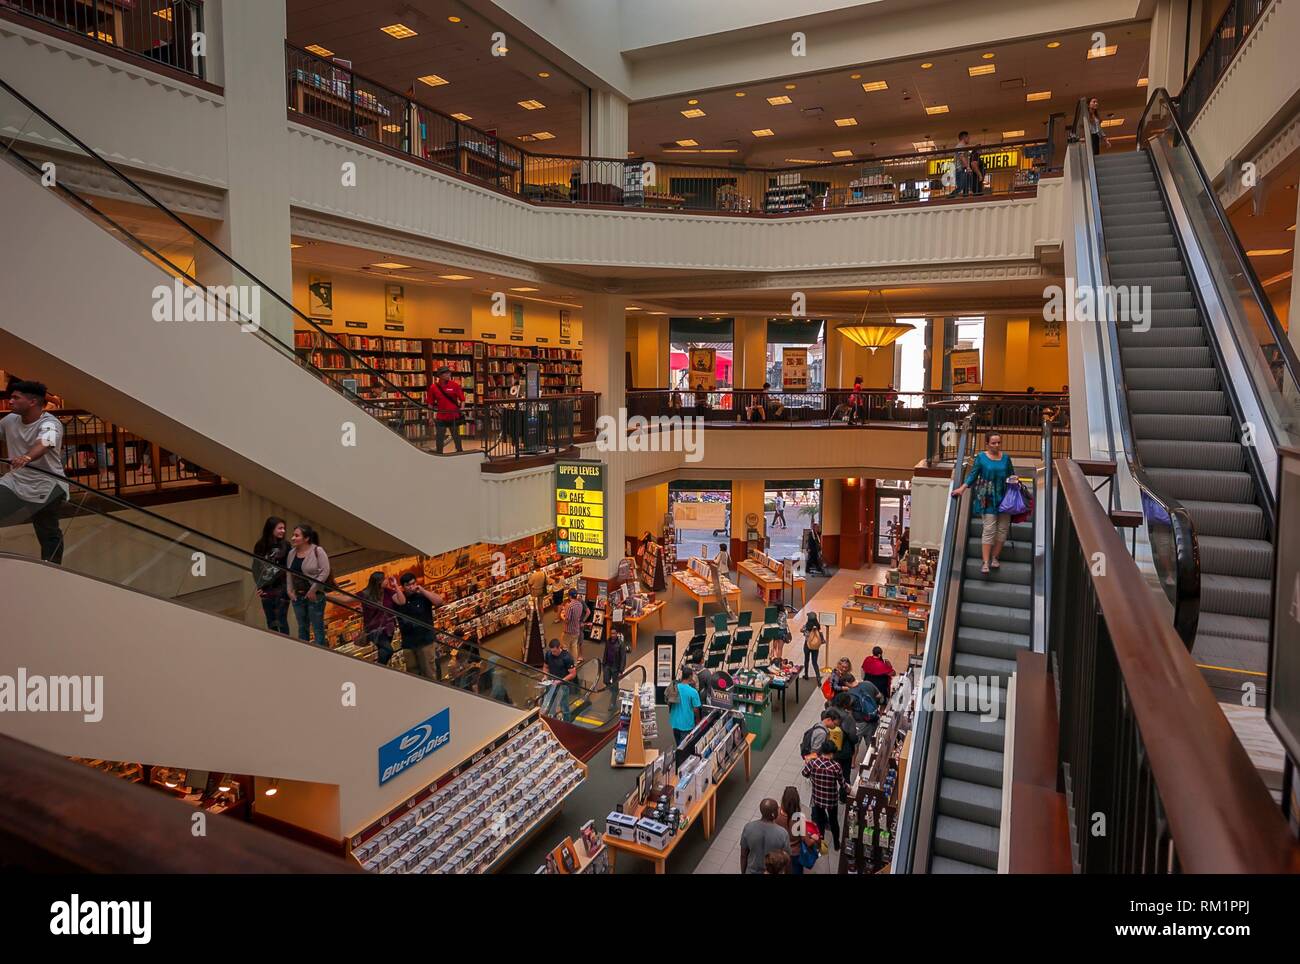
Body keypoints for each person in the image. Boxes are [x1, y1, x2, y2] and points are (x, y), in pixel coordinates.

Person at [0, 380, 69, 563]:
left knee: (47, 531)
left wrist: (27, 457)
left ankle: (52, 569)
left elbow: (44, 443)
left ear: (32, 402)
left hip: (47, 485)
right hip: (15, 481)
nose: (11, 401)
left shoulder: (50, 424)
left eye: (16, 397)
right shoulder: (9, 420)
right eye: (11, 397)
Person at [952, 433, 1017, 573]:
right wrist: (962, 488)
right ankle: (985, 562)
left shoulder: (1006, 458)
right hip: (987, 497)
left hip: (1005, 498)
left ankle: (995, 557)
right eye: (993, 443)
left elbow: (1012, 474)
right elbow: (973, 475)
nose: (997, 445)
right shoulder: (981, 458)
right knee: (989, 529)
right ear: (987, 443)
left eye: (999, 442)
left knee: (1002, 529)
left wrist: (1015, 486)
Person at [391, 571, 445, 679]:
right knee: (413, 674)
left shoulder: (423, 596)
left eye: (413, 583)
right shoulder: (400, 599)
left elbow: (439, 601)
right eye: (408, 585)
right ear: (403, 587)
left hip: (425, 641)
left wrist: (422, 590)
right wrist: (395, 586)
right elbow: (396, 601)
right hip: (408, 643)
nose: (411, 587)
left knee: (429, 672)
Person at [285, 524, 330, 646]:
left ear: (306, 538)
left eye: (296, 535)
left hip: (314, 597)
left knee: (317, 629)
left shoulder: (317, 551)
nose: (293, 538)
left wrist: (313, 590)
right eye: (293, 535)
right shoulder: (291, 553)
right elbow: (289, 572)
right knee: (302, 627)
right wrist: (289, 591)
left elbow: (325, 572)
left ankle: (320, 654)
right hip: (298, 597)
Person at [802, 738, 845, 850]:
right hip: (831, 800)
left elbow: (804, 773)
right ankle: (836, 843)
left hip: (818, 798)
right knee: (833, 821)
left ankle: (820, 844)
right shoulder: (836, 766)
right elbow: (842, 783)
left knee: (820, 822)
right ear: (831, 753)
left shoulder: (813, 763)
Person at [252, 516, 291, 635]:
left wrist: (289, 587)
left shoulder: (286, 545)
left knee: (281, 619)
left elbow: (289, 567)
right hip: (266, 589)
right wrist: (259, 586)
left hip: (282, 588)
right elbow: (255, 567)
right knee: (271, 620)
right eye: (280, 528)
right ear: (271, 528)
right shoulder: (260, 545)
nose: (283, 531)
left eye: (284, 528)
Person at [739, 798, 791, 874]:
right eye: (777, 809)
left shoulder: (748, 827)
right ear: (773, 814)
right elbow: (787, 859)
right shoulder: (782, 833)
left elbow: (743, 855)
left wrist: (743, 872)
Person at [360, 571, 398, 665]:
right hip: (374, 630)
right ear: (379, 582)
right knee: (388, 650)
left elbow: (401, 601)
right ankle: (379, 668)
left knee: (384, 651)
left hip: (388, 628)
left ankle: (380, 669)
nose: (387, 580)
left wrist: (396, 586)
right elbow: (347, 599)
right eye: (385, 579)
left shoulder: (388, 592)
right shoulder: (367, 593)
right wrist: (326, 595)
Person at [427, 366, 466, 454]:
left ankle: (460, 452)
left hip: (454, 416)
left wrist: (462, 409)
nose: (449, 374)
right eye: (446, 373)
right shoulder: (433, 387)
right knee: (439, 436)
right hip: (441, 417)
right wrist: (430, 417)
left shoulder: (455, 385)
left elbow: (462, 399)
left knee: (456, 436)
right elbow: (430, 404)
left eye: (449, 372)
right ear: (440, 375)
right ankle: (439, 453)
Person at [542, 637, 577, 721]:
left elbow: (573, 674)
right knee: (550, 703)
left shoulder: (567, 657)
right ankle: (551, 720)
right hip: (552, 683)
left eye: (554, 651)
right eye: (551, 651)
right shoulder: (548, 654)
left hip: (563, 685)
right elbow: (545, 667)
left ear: (559, 648)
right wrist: (545, 676)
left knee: (564, 706)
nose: (553, 653)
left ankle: (567, 723)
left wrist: (560, 681)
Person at [776, 785, 808, 875]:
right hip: (795, 853)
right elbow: (806, 840)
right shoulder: (799, 818)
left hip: (780, 851)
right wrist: (814, 838)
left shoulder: (777, 813)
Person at [668, 665, 701, 745]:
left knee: (678, 745)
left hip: (675, 723)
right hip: (687, 725)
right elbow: (696, 709)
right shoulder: (693, 692)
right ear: (690, 676)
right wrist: (698, 721)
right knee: (684, 749)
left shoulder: (674, 688)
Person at [557, 588, 587, 658]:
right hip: (576, 630)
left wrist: (562, 617)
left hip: (569, 630)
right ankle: (574, 663)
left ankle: (566, 664)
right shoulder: (580, 604)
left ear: (569, 596)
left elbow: (567, 620)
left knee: (565, 647)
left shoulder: (570, 606)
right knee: (574, 647)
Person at [801, 611, 825, 680]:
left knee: (806, 660)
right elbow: (820, 634)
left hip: (807, 645)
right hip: (815, 646)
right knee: (814, 662)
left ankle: (806, 675)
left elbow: (801, 630)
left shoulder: (806, 626)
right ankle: (818, 677)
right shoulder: (817, 626)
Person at [953, 130, 974, 196]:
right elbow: (962, 157)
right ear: (964, 137)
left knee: (964, 186)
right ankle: (949, 198)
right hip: (959, 169)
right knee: (961, 187)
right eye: (968, 138)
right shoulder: (960, 146)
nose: (969, 139)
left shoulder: (962, 146)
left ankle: (965, 198)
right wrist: (968, 167)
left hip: (961, 169)